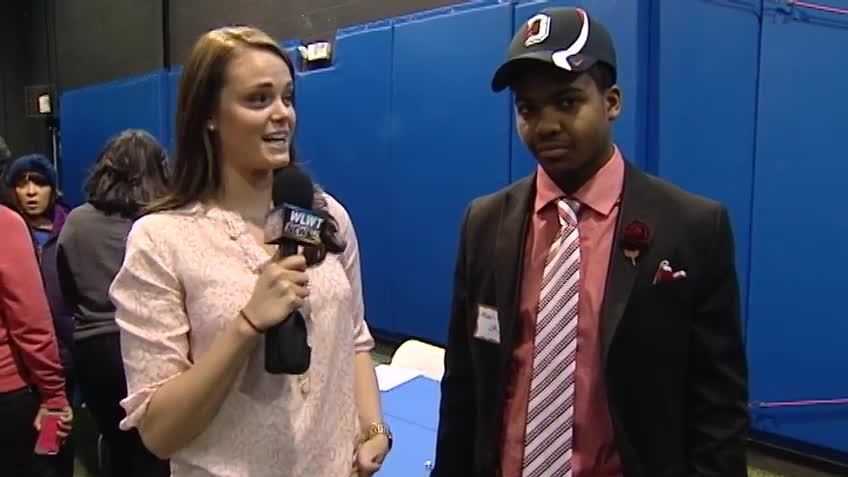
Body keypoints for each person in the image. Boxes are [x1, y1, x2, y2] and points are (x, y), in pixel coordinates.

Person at [432, 7, 749, 477]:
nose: (545, 124)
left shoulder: (692, 228)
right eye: (528, 108)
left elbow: (717, 410)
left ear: (612, 102)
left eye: (566, 102)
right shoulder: (484, 223)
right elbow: (463, 386)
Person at [109, 26, 391, 476]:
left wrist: (374, 428)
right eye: (259, 100)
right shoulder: (161, 240)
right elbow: (160, 432)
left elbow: (355, 339)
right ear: (209, 114)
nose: (282, 114)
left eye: (287, 98)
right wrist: (246, 325)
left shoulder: (327, 215)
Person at [57, 130, 171, 477]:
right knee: (158, 452)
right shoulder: (161, 225)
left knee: (117, 447)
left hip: (94, 352)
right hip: (150, 347)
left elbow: (67, 289)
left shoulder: (76, 222)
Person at [5, 154, 75, 477]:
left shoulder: (72, 228)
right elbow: (27, 318)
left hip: (63, 356)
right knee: (41, 454)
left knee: (59, 441)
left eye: (39, 182)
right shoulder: (12, 230)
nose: (30, 192)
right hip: (28, 370)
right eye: (22, 183)